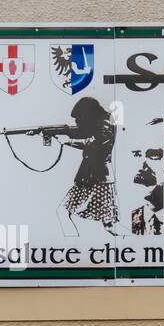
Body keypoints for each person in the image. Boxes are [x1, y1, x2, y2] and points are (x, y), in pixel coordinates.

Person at [61, 97, 120, 234]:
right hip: (96, 176)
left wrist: (68, 141)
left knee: (64, 212)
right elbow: (85, 134)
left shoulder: (105, 124)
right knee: (107, 225)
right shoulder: (103, 121)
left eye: (79, 119)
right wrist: (66, 133)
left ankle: (72, 241)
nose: (77, 122)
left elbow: (96, 145)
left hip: (97, 177)